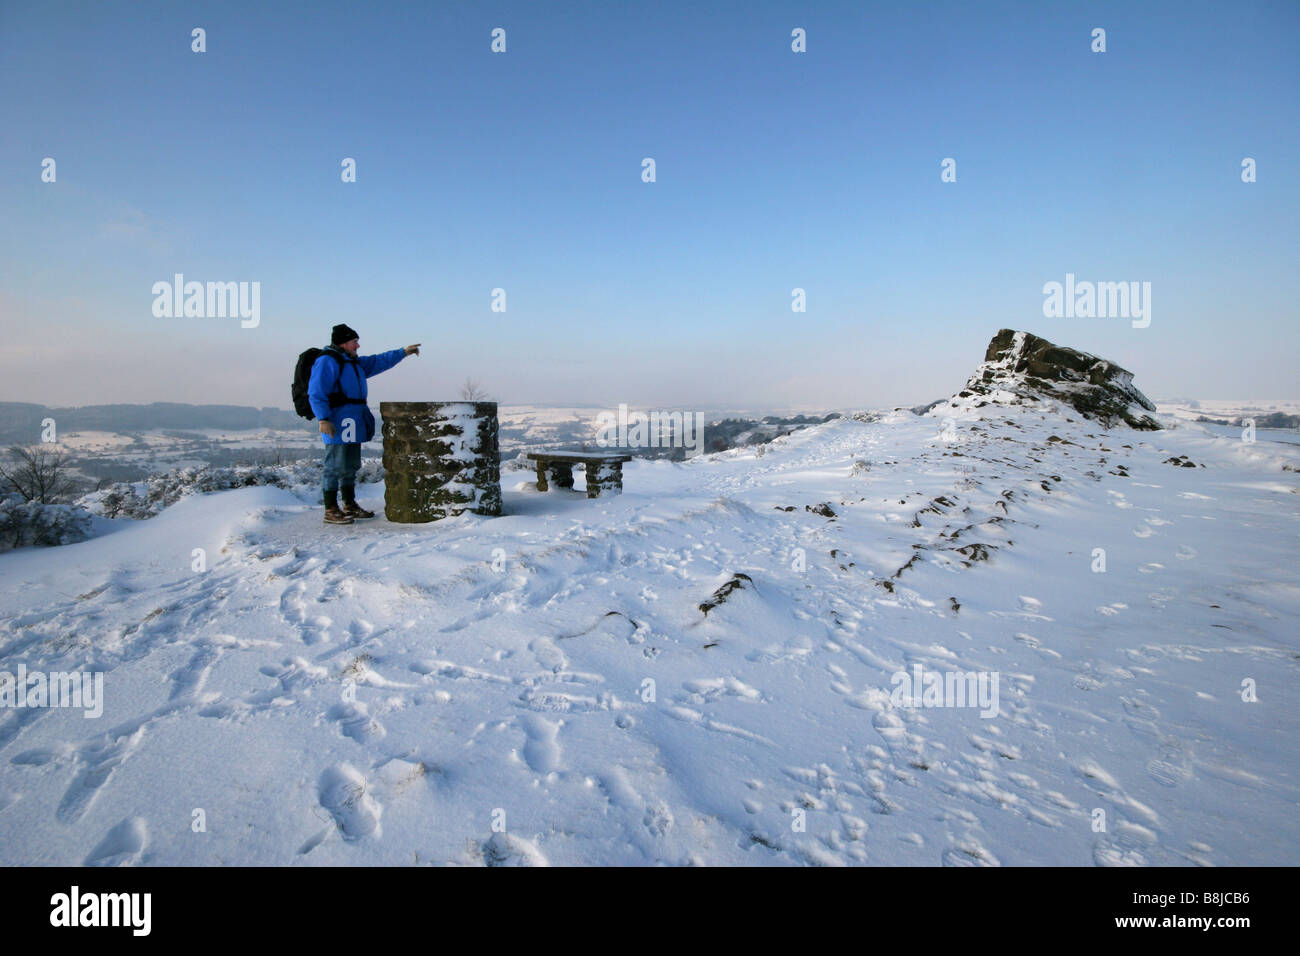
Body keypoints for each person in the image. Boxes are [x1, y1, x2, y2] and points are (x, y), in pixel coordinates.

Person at [308, 324, 421, 524]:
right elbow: (316, 391)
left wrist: (403, 353)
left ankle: (349, 504)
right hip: (337, 419)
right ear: (343, 343)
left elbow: (379, 361)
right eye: (354, 342)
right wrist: (323, 418)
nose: (358, 345)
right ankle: (331, 509)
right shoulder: (327, 361)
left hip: (353, 419)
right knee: (334, 464)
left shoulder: (353, 363)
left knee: (350, 464)